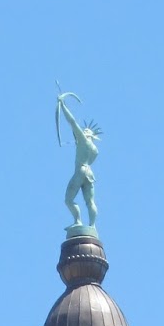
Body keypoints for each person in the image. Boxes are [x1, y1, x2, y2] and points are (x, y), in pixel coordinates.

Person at [56, 90, 100, 230]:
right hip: (90, 173)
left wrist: (62, 105)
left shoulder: (84, 142)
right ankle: (92, 226)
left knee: (68, 200)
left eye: (85, 131)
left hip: (80, 170)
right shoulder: (95, 150)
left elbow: (72, 122)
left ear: (88, 134)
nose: (83, 131)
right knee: (90, 201)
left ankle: (78, 221)